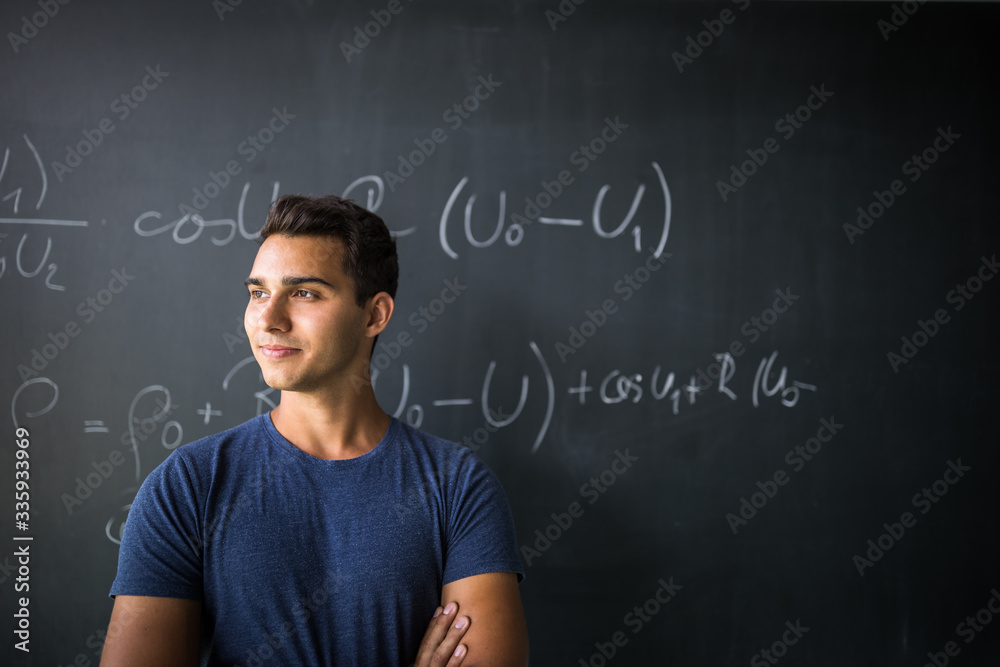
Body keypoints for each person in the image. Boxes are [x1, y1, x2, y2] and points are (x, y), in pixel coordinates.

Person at [101, 195, 528, 666]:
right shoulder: (187, 486)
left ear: (374, 315)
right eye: (258, 292)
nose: (268, 319)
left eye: (304, 293)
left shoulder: (459, 487)